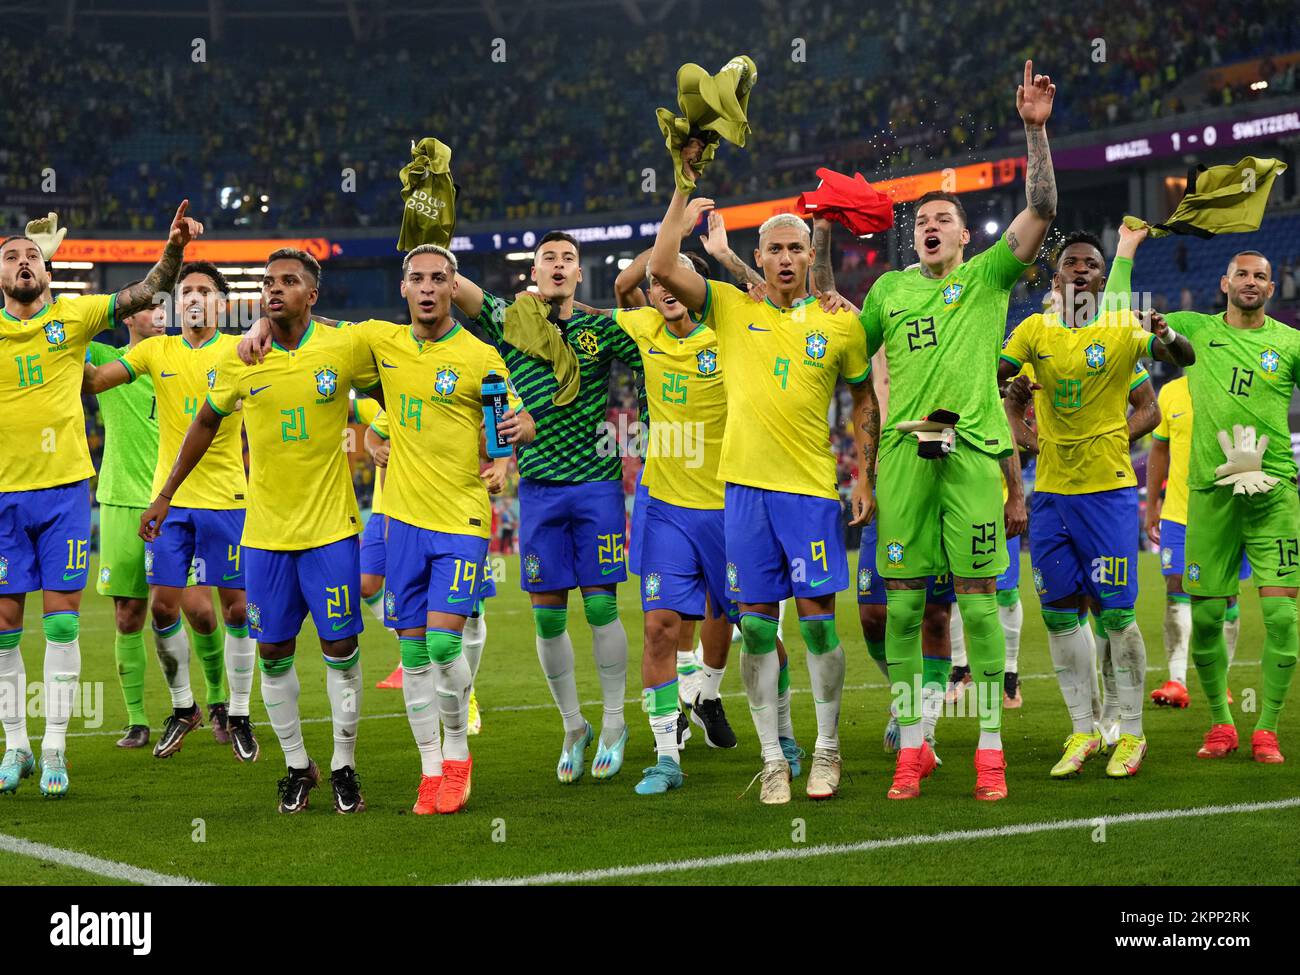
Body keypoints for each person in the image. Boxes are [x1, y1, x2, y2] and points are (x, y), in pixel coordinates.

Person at [854, 61, 1058, 801]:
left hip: (971, 456)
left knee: (976, 600)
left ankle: (991, 754)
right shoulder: (887, 291)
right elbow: (855, 373)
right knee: (905, 604)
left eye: (946, 219)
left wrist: (1035, 132)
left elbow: (1041, 206)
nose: (930, 226)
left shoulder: (987, 281)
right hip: (905, 460)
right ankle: (914, 747)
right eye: (922, 221)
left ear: (970, 238)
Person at [649, 169, 879, 805]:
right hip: (742, 495)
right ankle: (774, 758)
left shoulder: (839, 323)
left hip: (808, 494)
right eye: (773, 248)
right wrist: (680, 195)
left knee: (818, 629)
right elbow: (664, 263)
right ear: (759, 258)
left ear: (811, 256)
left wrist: (865, 476)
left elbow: (864, 402)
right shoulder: (727, 306)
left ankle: (827, 751)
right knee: (754, 630)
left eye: (795, 247)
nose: (784, 257)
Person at [140, 249, 381, 814]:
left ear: (313, 294)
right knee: (272, 649)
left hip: (330, 532)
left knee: (339, 647)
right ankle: (299, 767)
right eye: (268, 282)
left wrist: (385, 434)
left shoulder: (343, 346)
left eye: (289, 281)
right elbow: (203, 422)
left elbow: (394, 379)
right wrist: (166, 494)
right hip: (265, 535)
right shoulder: (243, 358)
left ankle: (345, 765)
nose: (275, 289)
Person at [0, 200, 203, 797]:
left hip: (64, 494)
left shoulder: (76, 317)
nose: (22, 262)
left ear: (49, 270)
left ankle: (56, 748)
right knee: (6, 624)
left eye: (32, 255)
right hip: (4, 498)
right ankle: (16, 745)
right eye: (10, 257)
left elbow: (146, 292)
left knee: (62, 626)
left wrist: (173, 249)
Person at [1000, 225, 1195, 779]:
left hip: (1107, 494)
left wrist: (1166, 332)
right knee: (1060, 615)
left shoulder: (1118, 327)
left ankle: (1130, 733)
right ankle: (1084, 728)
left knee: (1116, 615)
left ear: (1102, 278)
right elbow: (996, 384)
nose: (1080, 269)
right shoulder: (1034, 330)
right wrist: (1015, 410)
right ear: (1056, 275)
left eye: (1090, 264)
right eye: (1071, 262)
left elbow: (1180, 355)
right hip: (1052, 496)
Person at [450, 233, 642, 784]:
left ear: (580, 274)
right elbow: (458, 288)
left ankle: (612, 723)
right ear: (534, 273)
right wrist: (432, 229)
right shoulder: (511, 321)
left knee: (602, 607)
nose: (558, 266)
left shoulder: (601, 327)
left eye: (567, 260)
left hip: (597, 486)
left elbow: (658, 353)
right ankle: (573, 724)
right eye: (548, 260)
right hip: (538, 489)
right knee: (548, 613)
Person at [83, 262, 258, 761]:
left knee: (237, 609)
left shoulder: (238, 351)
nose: (196, 297)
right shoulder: (156, 350)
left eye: (206, 290)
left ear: (222, 304)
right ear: (176, 303)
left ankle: (240, 711)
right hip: (171, 502)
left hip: (227, 499)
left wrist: (268, 324)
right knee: (161, 607)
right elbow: (95, 381)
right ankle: (183, 709)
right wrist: (58, 327)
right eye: (188, 291)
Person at [1165, 251, 1299, 764]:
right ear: (1224, 282)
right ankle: (1221, 723)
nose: (1250, 281)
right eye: (1241, 273)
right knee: (1205, 619)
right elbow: (1115, 315)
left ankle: (1267, 728)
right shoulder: (1195, 330)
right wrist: (1128, 251)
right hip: (1212, 496)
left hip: (1274, 498)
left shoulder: (1290, 344)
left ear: (1271, 288)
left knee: (1282, 618)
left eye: (1260, 276)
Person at [1146, 376, 1248, 709]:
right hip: (1178, 511)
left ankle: (1221, 678)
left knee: (1225, 592)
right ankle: (1176, 680)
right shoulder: (1171, 392)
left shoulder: (1233, 386)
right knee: (1176, 584)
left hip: (1225, 510)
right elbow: (1160, 449)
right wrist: (1152, 505)